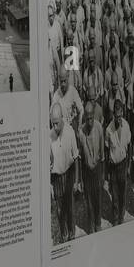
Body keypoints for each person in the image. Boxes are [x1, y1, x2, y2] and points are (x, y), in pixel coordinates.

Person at [49, 102, 79, 242]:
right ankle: (65, 234)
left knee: (70, 208)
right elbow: (48, 164)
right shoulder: (49, 137)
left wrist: (76, 181)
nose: (55, 127)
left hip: (69, 174)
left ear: (62, 118)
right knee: (60, 209)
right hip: (56, 178)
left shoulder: (70, 132)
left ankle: (72, 234)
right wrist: (50, 186)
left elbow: (76, 158)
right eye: (52, 123)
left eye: (57, 123)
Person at [78, 100, 105, 233]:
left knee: (97, 199)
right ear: (85, 117)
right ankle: (91, 225)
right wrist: (81, 180)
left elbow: (102, 154)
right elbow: (80, 158)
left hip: (97, 170)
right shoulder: (81, 133)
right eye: (87, 119)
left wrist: (103, 174)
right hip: (87, 173)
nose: (89, 122)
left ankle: (98, 223)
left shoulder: (99, 127)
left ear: (94, 116)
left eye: (91, 118)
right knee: (88, 201)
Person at [105, 93, 131, 226]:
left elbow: (129, 146)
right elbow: (106, 149)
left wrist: (129, 166)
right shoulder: (108, 130)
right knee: (114, 195)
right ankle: (115, 220)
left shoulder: (126, 126)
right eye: (117, 115)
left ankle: (121, 216)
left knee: (122, 193)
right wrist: (107, 173)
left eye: (121, 115)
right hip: (113, 167)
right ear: (113, 114)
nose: (119, 118)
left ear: (122, 113)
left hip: (123, 164)